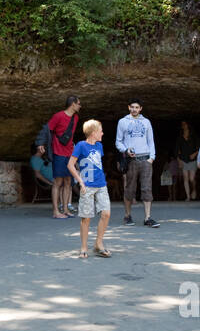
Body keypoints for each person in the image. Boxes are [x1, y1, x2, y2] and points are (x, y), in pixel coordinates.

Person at [69, 119, 111, 258]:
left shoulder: (99, 146)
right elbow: (70, 165)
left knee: (106, 213)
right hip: (87, 186)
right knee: (86, 218)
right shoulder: (81, 145)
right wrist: (80, 181)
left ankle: (98, 244)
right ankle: (83, 247)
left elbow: (98, 164)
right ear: (93, 133)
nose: (103, 133)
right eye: (101, 131)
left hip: (101, 185)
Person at [115, 100, 159, 227]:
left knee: (147, 188)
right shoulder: (123, 122)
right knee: (130, 188)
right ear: (129, 107)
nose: (134, 109)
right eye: (132, 107)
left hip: (145, 158)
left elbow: (151, 141)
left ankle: (148, 217)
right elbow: (118, 141)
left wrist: (152, 158)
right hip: (131, 159)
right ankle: (127, 216)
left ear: (141, 109)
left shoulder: (146, 122)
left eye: (137, 107)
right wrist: (125, 149)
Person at [47, 96, 82, 219]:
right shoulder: (58, 116)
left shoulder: (75, 118)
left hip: (69, 153)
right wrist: (42, 144)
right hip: (58, 152)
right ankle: (56, 211)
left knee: (68, 182)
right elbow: (48, 130)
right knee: (58, 182)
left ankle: (66, 209)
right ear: (72, 104)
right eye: (78, 103)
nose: (80, 106)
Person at [175, 120, 199, 202]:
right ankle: (188, 196)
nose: (183, 125)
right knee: (185, 178)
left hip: (192, 160)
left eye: (184, 124)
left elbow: (199, 148)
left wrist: (194, 154)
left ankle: (194, 189)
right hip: (183, 160)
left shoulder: (194, 136)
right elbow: (177, 150)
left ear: (188, 125)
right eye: (182, 124)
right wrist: (179, 160)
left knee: (191, 179)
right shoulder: (180, 137)